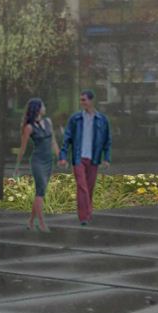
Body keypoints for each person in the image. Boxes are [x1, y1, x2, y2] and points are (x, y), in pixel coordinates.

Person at [60, 89, 112, 225]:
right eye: (81, 100)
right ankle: (84, 216)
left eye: (84, 100)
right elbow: (67, 138)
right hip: (78, 158)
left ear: (91, 101)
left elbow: (107, 141)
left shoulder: (102, 120)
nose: (81, 102)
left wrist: (106, 158)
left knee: (89, 188)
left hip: (93, 158)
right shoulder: (75, 119)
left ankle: (87, 214)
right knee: (82, 187)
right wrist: (63, 156)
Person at [16, 98, 56, 231]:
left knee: (41, 192)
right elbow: (23, 148)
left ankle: (30, 222)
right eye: (43, 106)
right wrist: (17, 166)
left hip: (49, 160)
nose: (45, 108)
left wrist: (61, 156)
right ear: (37, 109)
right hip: (38, 161)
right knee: (41, 191)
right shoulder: (29, 127)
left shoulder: (48, 122)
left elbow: (53, 142)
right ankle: (42, 224)